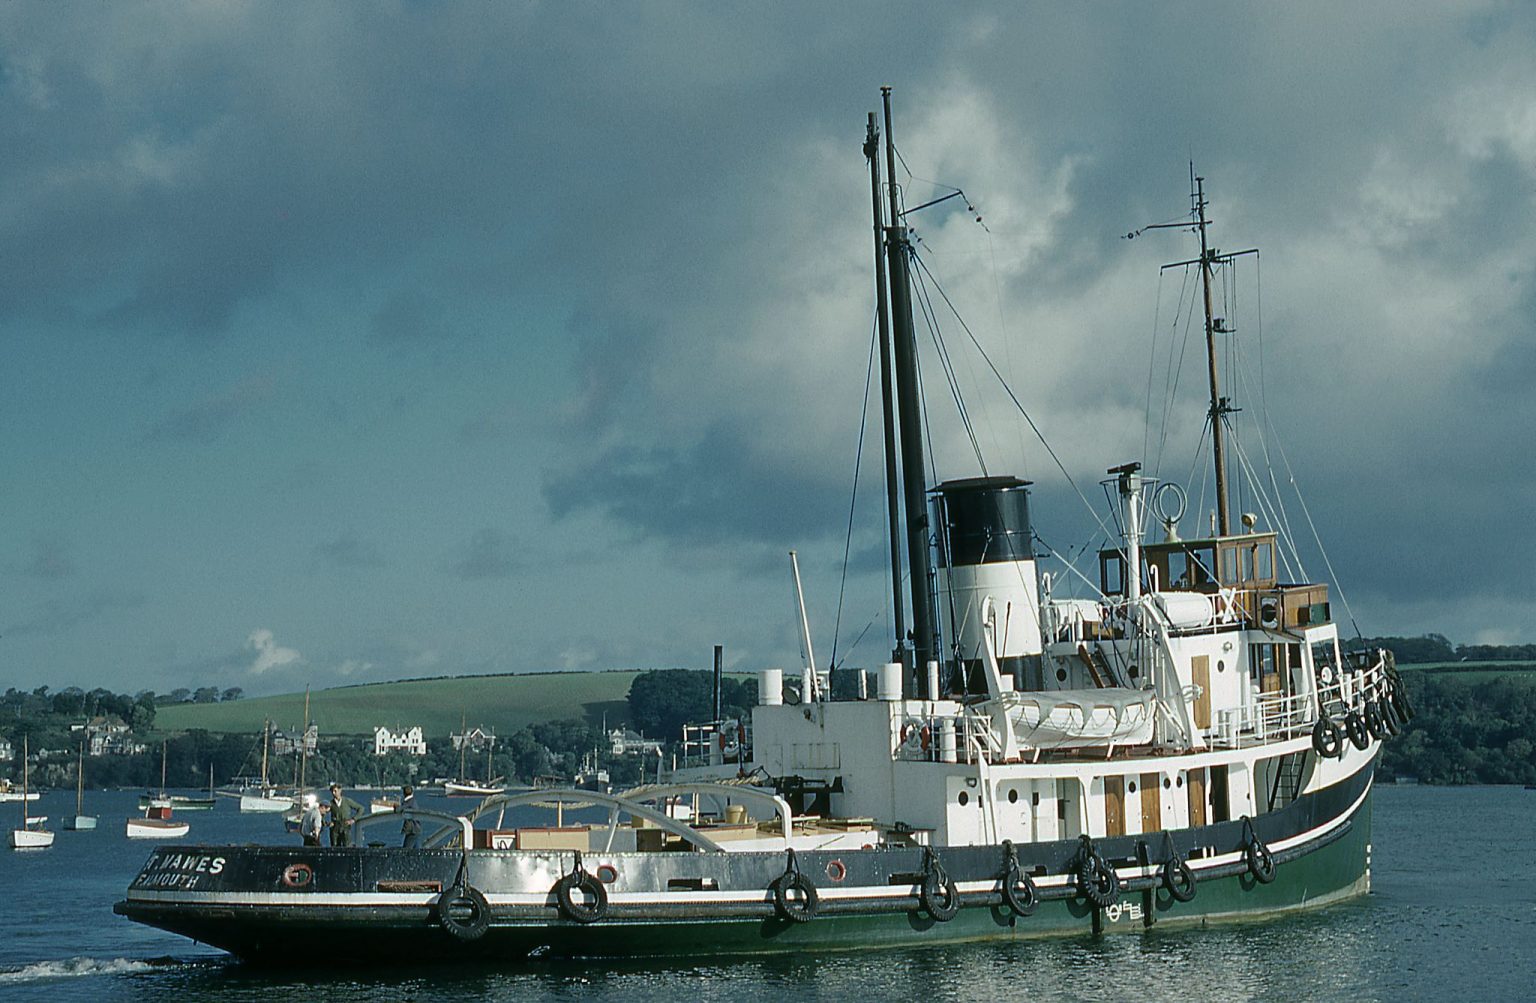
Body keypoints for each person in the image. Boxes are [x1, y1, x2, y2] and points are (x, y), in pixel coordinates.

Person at [400, 784, 422, 849]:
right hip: (417, 829)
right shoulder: (413, 801)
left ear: (404, 793)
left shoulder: (409, 801)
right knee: (417, 850)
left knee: (406, 849)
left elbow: (400, 809)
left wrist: (396, 807)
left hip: (412, 830)